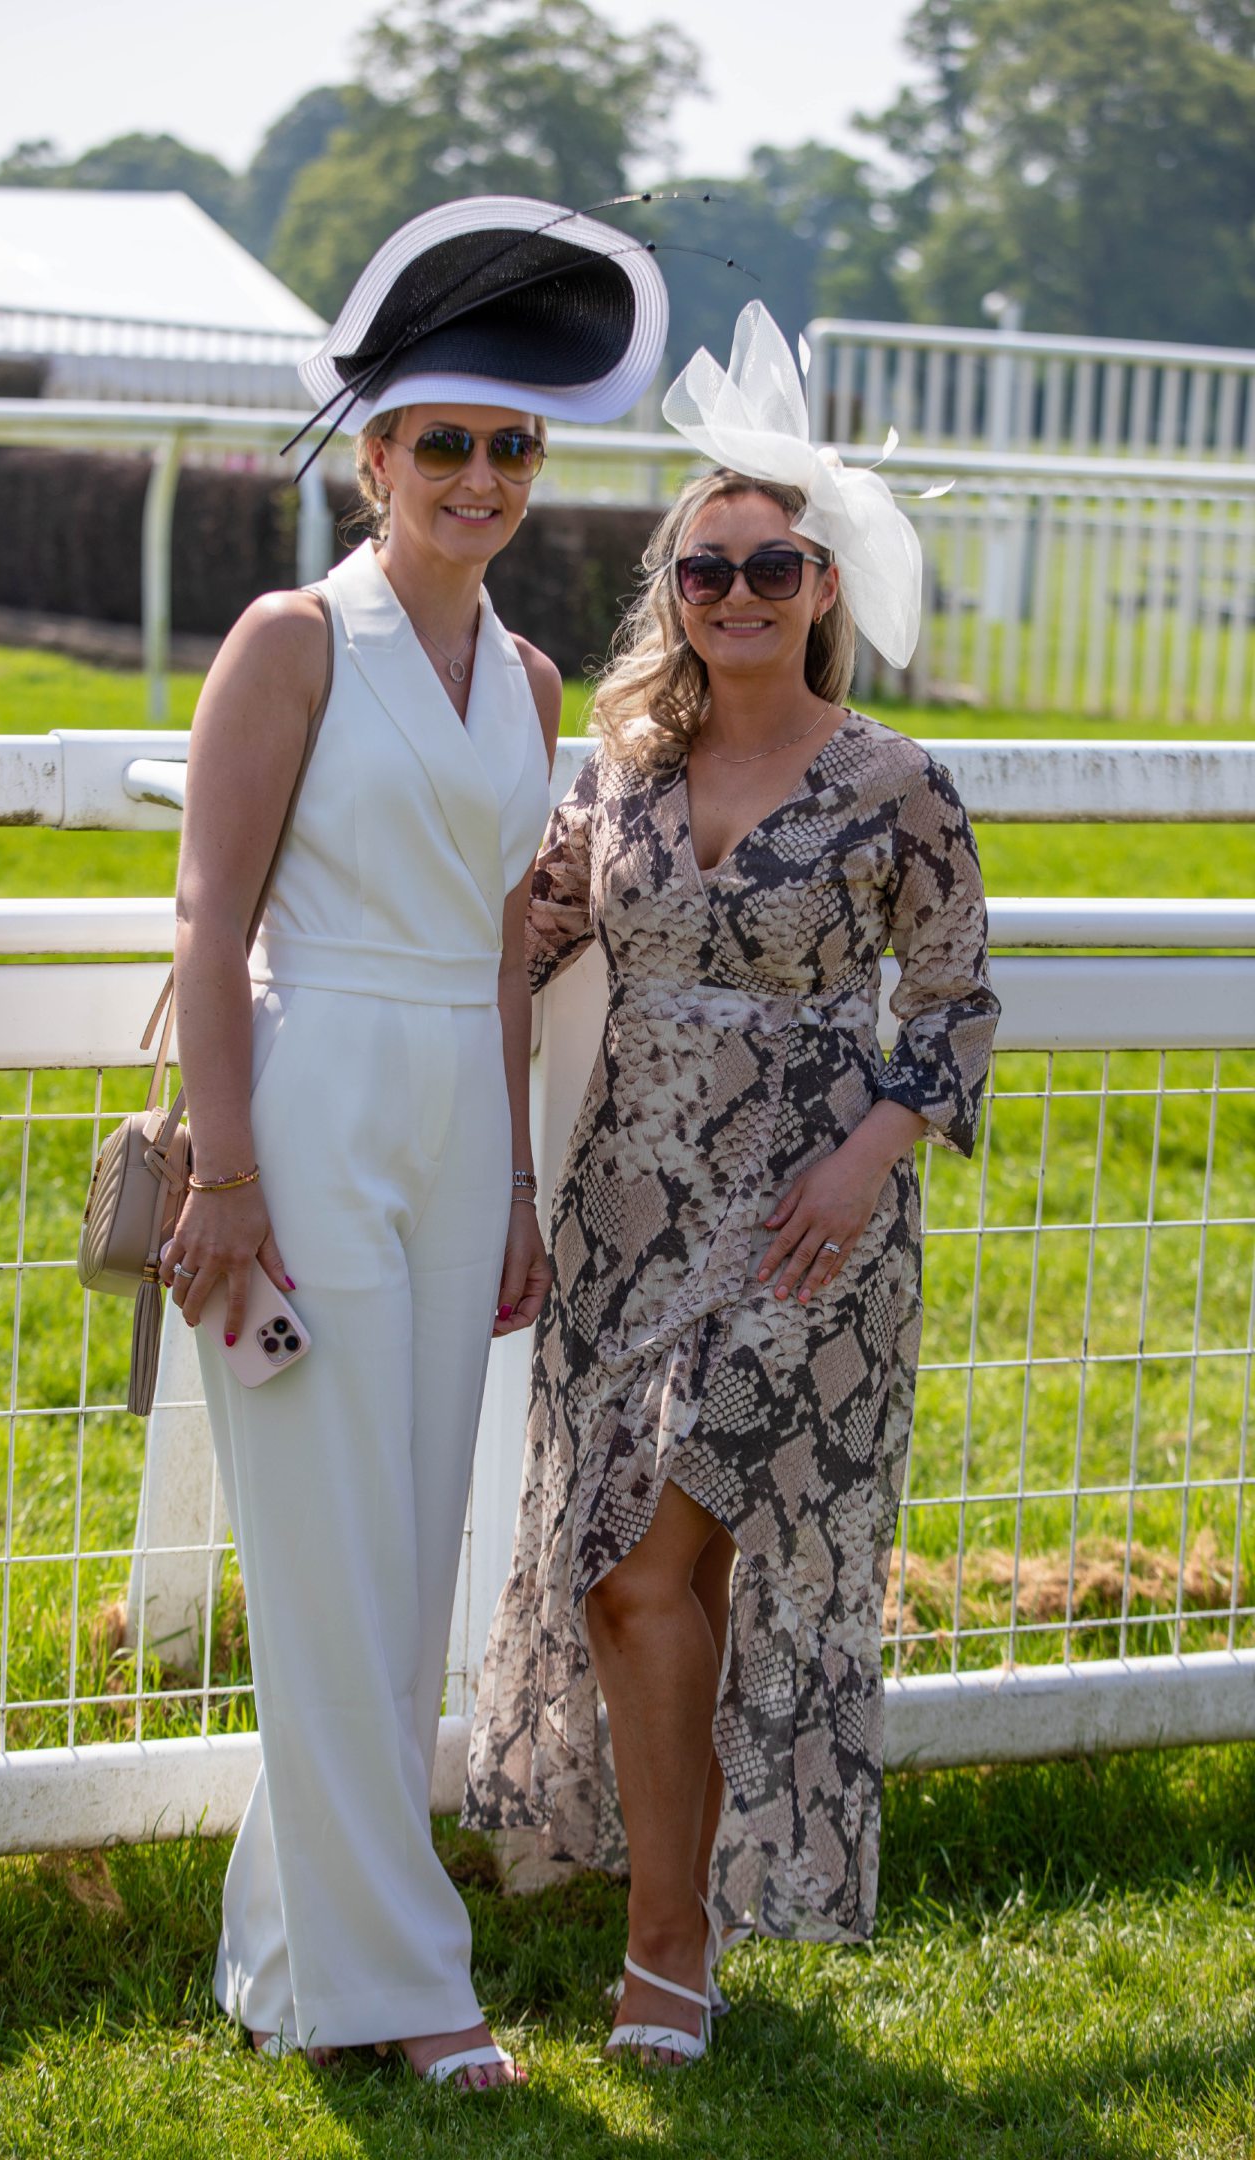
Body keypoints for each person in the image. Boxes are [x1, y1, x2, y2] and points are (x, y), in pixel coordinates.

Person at [160, 196, 668, 2087]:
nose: (478, 473)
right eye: (442, 439)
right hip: (299, 1115)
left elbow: (495, 944)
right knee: (322, 1562)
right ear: (371, 454)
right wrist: (225, 1175)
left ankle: (293, 1965)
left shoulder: (533, 685)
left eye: (510, 445)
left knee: (401, 1551)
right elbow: (211, 922)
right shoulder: (292, 638)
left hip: (462, 1134)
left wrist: (523, 1184)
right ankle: (412, 1985)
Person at [465, 302, 1000, 2065]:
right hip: (624, 1215)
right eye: (708, 572)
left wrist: (865, 1157)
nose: (742, 596)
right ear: (673, 589)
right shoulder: (618, 772)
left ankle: (668, 1953)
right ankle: (667, 1929)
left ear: (825, 583)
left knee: (650, 1573)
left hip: (800, 1231)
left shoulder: (896, 786)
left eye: (776, 565)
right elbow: (526, 932)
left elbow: (955, 1003)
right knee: (630, 1577)